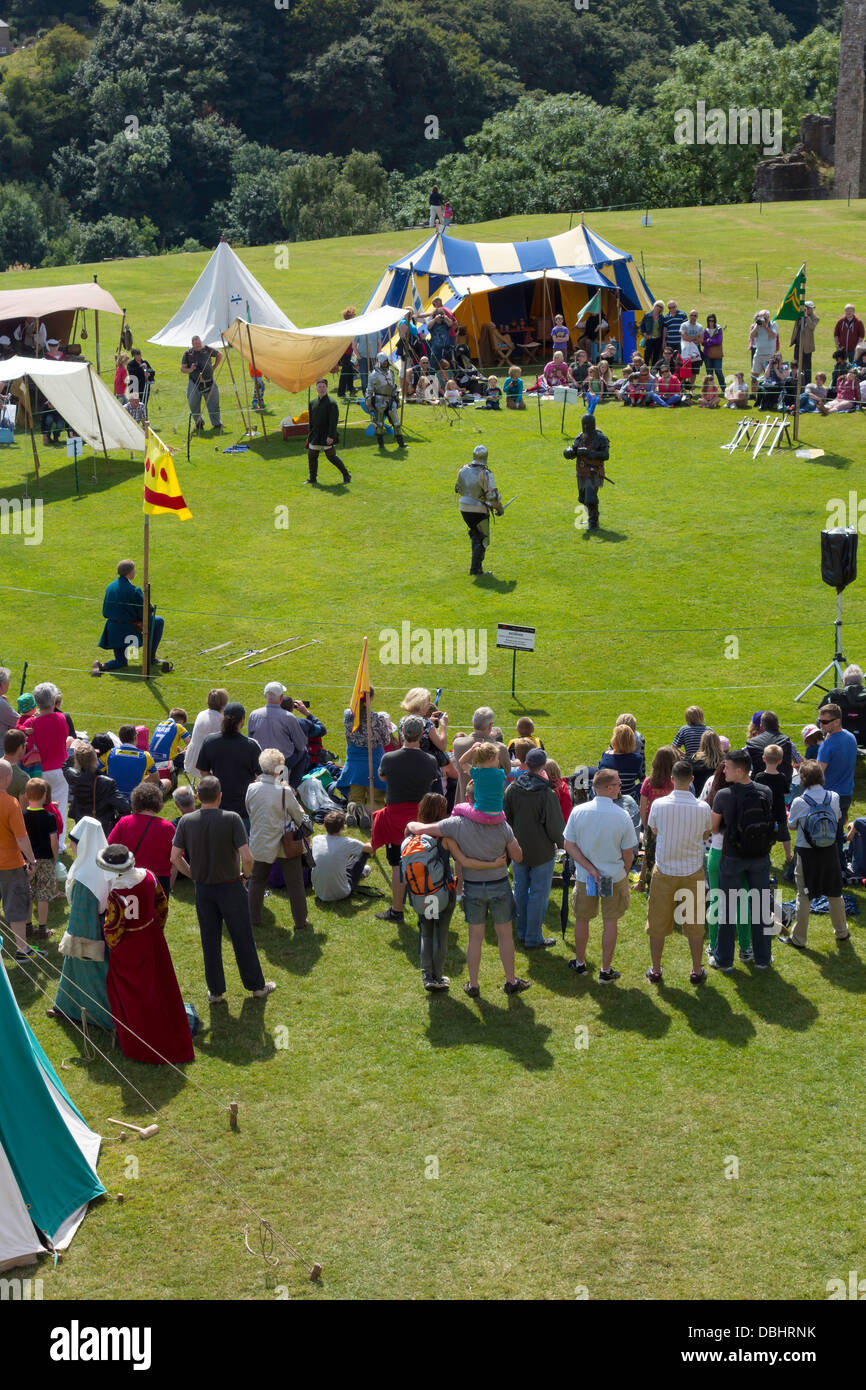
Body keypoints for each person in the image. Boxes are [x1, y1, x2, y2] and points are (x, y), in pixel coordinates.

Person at [404, 802, 528, 998]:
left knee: (433, 933)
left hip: (426, 894)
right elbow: (468, 861)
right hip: (449, 892)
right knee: (499, 935)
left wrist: (411, 824)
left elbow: (415, 827)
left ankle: (452, 981)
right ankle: (510, 981)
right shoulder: (451, 833)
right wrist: (494, 864)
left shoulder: (448, 827)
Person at [171, 775, 275, 1003]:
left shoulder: (186, 822)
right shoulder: (231, 819)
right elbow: (247, 857)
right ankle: (257, 987)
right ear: (220, 796)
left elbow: (175, 857)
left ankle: (215, 992)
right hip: (231, 887)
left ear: (197, 797)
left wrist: (194, 875)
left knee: (210, 940)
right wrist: (246, 877)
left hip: (203, 890)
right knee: (242, 938)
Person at [98, 843, 193, 1065]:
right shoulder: (149, 876)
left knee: (136, 994)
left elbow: (113, 927)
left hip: (129, 947)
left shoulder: (116, 892)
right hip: (151, 937)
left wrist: (114, 946)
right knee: (160, 984)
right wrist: (154, 928)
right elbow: (162, 905)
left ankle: (144, 1042)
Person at [564, 767, 638, 982]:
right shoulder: (622, 816)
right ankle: (605, 971)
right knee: (610, 921)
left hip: (586, 877)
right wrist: (622, 871)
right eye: (617, 784)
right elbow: (628, 853)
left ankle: (579, 963)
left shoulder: (579, 811)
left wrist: (589, 868)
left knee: (582, 919)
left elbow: (569, 845)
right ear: (608, 787)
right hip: (613, 877)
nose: (620, 788)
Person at [644, 759, 711, 985]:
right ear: (692, 780)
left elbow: (653, 830)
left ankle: (655, 969)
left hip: (664, 870)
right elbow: (705, 835)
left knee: (657, 922)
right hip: (692, 871)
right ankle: (695, 969)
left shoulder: (659, 805)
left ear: (672, 780)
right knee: (694, 923)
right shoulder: (703, 808)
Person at [710, 748, 775, 973]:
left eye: (726, 767)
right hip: (760, 857)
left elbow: (714, 828)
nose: (723, 770)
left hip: (733, 858)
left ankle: (724, 960)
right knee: (758, 908)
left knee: (727, 910)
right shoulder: (765, 791)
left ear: (739, 770)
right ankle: (763, 958)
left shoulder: (724, 796)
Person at [371, 715, 439, 925]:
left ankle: (397, 910)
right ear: (421, 734)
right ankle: (429, 913)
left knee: (398, 866)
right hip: (421, 819)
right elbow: (433, 779)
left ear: (402, 733)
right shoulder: (430, 760)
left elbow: (382, 777)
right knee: (425, 864)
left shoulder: (389, 758)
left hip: (395, 820)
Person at [48, 816, 114, 1026]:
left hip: (89, 933)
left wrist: (73, 940)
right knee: (74, 970)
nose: (69, 846)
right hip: (106, 925)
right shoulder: (106, 863)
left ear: (84, 843)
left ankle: (103, 1016)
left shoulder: (86, 876)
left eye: (73, 842)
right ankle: (65, 1006)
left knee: (89, 974)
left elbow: (81, 916)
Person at [782, 760, 849, 950]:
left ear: (803, 779)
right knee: (835, 893)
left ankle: (799, 938)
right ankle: (842, 931)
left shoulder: (799, 801)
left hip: (806, 854)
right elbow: (837, 820)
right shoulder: (833, 797)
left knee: (803, 895)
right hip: (830, 852)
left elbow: (792, 826)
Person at [503, 746, 565, 949]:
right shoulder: (547, 793)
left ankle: (521, 932)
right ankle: (532, 937)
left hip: (518, 850)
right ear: (543, 766)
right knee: (538, 894)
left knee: (520, 889)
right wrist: (565, 846)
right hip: (542, 853)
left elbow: (507, 819)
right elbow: (556, 828)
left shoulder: (512, 788)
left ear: (526, 765)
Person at [245, 748, 311, 932]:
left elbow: (249, 810)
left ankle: (254, 918)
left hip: (260, 840)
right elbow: (299, 818)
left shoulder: (252, 788)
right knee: (295, 883)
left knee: (257, 881)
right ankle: (300, 922)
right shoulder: (284, 792)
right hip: (285, 842)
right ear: (279, 769)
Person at [93, 558, 171, 676]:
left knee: (121, 662)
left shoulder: (110, 587)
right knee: (159, 621)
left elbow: (105, 612)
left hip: (113, 630)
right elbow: (146, 612)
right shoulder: (134, 590)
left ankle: (102, 666)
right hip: (128, 630)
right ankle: (151, 658)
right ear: (130, 572)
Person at [108, 781, 177, 899]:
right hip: (159, 881)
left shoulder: (124, 822)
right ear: (158, 802)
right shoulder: (168, 827)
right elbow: (175, 861)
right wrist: (168, 888)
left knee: (129, 916)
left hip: (129, 878)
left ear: (135, 801)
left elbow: (109, 849)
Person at [197, 703, 262, 826]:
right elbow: (262, 776)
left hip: (217, 805)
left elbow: (204, 772)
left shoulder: (210, 741)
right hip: (244, 808)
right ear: (242, 720)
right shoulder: (251, 745)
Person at [23, 683, 71, 850]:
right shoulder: (62, 718)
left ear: (36, 702)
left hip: (39, 772)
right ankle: (58, 845)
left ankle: (39, 840)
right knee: (61, 808)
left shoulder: (30, 723)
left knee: (38, 807)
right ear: (53, 701)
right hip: (60, 770)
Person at [815, 702, 858, 874]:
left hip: (829, 796)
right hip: (846, 793)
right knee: (837, 831)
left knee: (826, 836)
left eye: (825, 722)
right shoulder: (850, 738)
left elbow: (818, 774)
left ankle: (833, 868)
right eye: (819, 721)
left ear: (837, 721)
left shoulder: (828, 745)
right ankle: (839, 865)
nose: (821, 725)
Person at [333, 687, 391, 808]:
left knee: (355, 796)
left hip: (354, 764)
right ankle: (372, 815)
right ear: (371, 698)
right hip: (374, 761)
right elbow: (386, 741)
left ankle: (353, 814)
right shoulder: (378, 718)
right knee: (376, 798)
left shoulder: (348, 715)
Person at [455, 444, 504, 576]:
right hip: (478, 510)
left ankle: (475, 568)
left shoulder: (463, 470)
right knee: (483, 539)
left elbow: (458, 489)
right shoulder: (485, 473)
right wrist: (499, 509)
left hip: (464, 508)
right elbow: (492, 496)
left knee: (476, 536)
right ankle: (476, 570)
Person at [248, 682, 308, 787]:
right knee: (303, 751)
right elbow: (301, 744)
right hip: (282, 762)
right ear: (281, 698)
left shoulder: (254, 715)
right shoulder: (288, 717)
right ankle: (292, 788)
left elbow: (250, 741)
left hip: (261, 761)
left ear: (265, 696)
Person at [311, 808, 375, 902]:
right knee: (364, 852)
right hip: (342, 893)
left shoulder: (316, 839)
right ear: (343, 827)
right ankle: (362, 872)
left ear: (324, 826)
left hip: (318, 892)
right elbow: (371, 848)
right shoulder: (348, 843)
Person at [22, 778, 57, 940]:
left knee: (28, 892)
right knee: (43, 894)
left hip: (27, 860)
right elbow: (54, 842)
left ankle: (28, 927)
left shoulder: (22, 816)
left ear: (27, 795)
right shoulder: (50, 816)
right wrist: (55, 858)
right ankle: (42, 929)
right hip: (45, 859)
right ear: (44, 795)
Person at [564, 413, 609, 533]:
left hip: (594, 472)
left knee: (590, 498)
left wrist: (589, 454)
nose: (585, 427)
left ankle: (593, 523)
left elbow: (605, 455)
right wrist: (569, 453)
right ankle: (591, 516)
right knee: (582, 498)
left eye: (587, 425)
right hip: (581, 472)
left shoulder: (601, 438)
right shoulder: (580, 437)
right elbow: (573, 450)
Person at [754, 744, 793, 873]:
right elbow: (786, 793)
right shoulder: (782, 777)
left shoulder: (759, 777)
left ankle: (765, 856)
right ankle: (788, 855)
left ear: (764, 758)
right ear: (780, 761)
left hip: (764, 811)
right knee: (784, 834)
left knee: (764, 834)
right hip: (780, 810)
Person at [305, 377, 351, 486]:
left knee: (331, 457)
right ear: (316, 388)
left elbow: (333, 422)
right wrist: (309, 435)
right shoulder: (312, 403)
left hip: (327, 434)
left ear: (326, 388)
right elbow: (311, 420)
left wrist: (331, 436)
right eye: (319, 387)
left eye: (323, 387)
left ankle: (346, 474)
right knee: (312, 456)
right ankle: (312, 479)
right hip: (315, 435)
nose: (321, 389)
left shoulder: (332, 403)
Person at [185, 688, 229, 785]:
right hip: (204, 764)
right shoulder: (221, 720)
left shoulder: (201, 714)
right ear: (224, 704)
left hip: (191, 759)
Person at [180, 335, 222, 432]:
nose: (198, 345)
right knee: (193, 404)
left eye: (199, 343)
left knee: (214, 403)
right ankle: (199, 424)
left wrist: (214, 366)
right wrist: (190, 369)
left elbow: (219, 354)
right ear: (192, 344)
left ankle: (217, 423)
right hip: (194, 383)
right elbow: (182, 368)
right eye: (196, 344)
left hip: (209, 382)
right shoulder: (187, 354)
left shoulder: (207, 349)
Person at [365, 352, 406, 449]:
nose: (385, 363)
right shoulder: (373, 375)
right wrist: (369, 405)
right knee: (379, 424)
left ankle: (401, 443)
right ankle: (381, 445)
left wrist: (396, 398)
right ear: (379, 362)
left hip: (390, 400)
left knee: (397, 423)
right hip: (379, 401)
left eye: (386, 361)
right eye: (383, 362)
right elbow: (369, 391)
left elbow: (393, 387)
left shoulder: (390, 372)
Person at [106, 725, 156, 801]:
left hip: (114, 799)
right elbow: (155, 778)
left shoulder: (109, 753)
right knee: (167, 782)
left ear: (120, 738)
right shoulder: (146, 756)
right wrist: (141, 784)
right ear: (135, 737)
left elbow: (96, 770)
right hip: (136, 799)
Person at [746, 710, 797, 781]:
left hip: (759, 787)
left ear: (761, 727)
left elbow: (739, 763)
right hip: (783, 786)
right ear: (778, 726)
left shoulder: (751, 744)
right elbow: (798, 762)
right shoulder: (787, 742)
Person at [598, 723, 644, 798]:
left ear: (614, 739)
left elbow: (599, 776)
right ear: (632, 741)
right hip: (629, 797)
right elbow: (640, 777)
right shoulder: (637, 759)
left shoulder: (606, 756)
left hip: (609, 797)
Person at [790, 302, 819, 384]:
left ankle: (807, 384)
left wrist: (806, 316)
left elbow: (812, 327)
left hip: (807, 347)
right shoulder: (799, 316)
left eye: (810, 309)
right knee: (796, 364)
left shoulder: (815, 318)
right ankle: (796, 381)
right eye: (808, 308)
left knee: (806, 368)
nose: (810, 310)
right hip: (798, 345)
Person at [750, 310, 779, 384]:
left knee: (769, 377)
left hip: (769, 355)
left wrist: (766, 326)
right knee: (754, 376)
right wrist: (757, 326)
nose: (763, 319)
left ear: (768, 317)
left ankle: (767, 394)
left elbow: (773, 335)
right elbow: (752, 336)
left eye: (764, 318)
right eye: (761, 317)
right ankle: (753, 395)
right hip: (758, 355)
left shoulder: (773, 324)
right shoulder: (756, 325)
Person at [701, 313, 725, 387]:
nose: (711, 322)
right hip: (707, 355)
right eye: (709, 320)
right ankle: (711, 390)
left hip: (717, 355)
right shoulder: (705, 330)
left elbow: (719, 341)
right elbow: (703, 343)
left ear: (715, 321)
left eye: (713, 320)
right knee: (709, 373)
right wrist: (710, 342)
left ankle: (724, 389)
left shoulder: (719, 329)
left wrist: (709, 341)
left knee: (718, 371)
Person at [639, 301, 665, 366]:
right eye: (657, 305)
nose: (658, 308)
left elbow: (663, 329)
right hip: (649, 339)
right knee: (647, 356)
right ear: (654, 306)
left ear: (662, 309)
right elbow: (642, 326)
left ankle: (653, 372)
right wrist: (644, 333)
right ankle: (645, 371)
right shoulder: (647, 315)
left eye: (660, 307)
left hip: (658, 339)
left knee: (656, 357)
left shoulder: (662, 317)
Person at [0, 667, 17, 737]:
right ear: (2, 685)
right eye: (7, 682)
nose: (9, 685)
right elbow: (17, 721)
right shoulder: (1, 704)